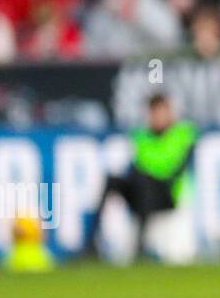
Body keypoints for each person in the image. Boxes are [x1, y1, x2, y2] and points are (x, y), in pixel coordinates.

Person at [80, 93, 197, 259]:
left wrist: (148, 176)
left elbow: (177, 170)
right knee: (113, 180)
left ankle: (140, 246)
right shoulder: (141, 136)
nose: (158, 117)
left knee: (145, 182)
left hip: (168, 194)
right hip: (143, 192)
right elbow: (135, 167)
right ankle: (91, 244)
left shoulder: (183, 134)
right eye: (154, 113)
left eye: (161, 112)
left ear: (170, 112)